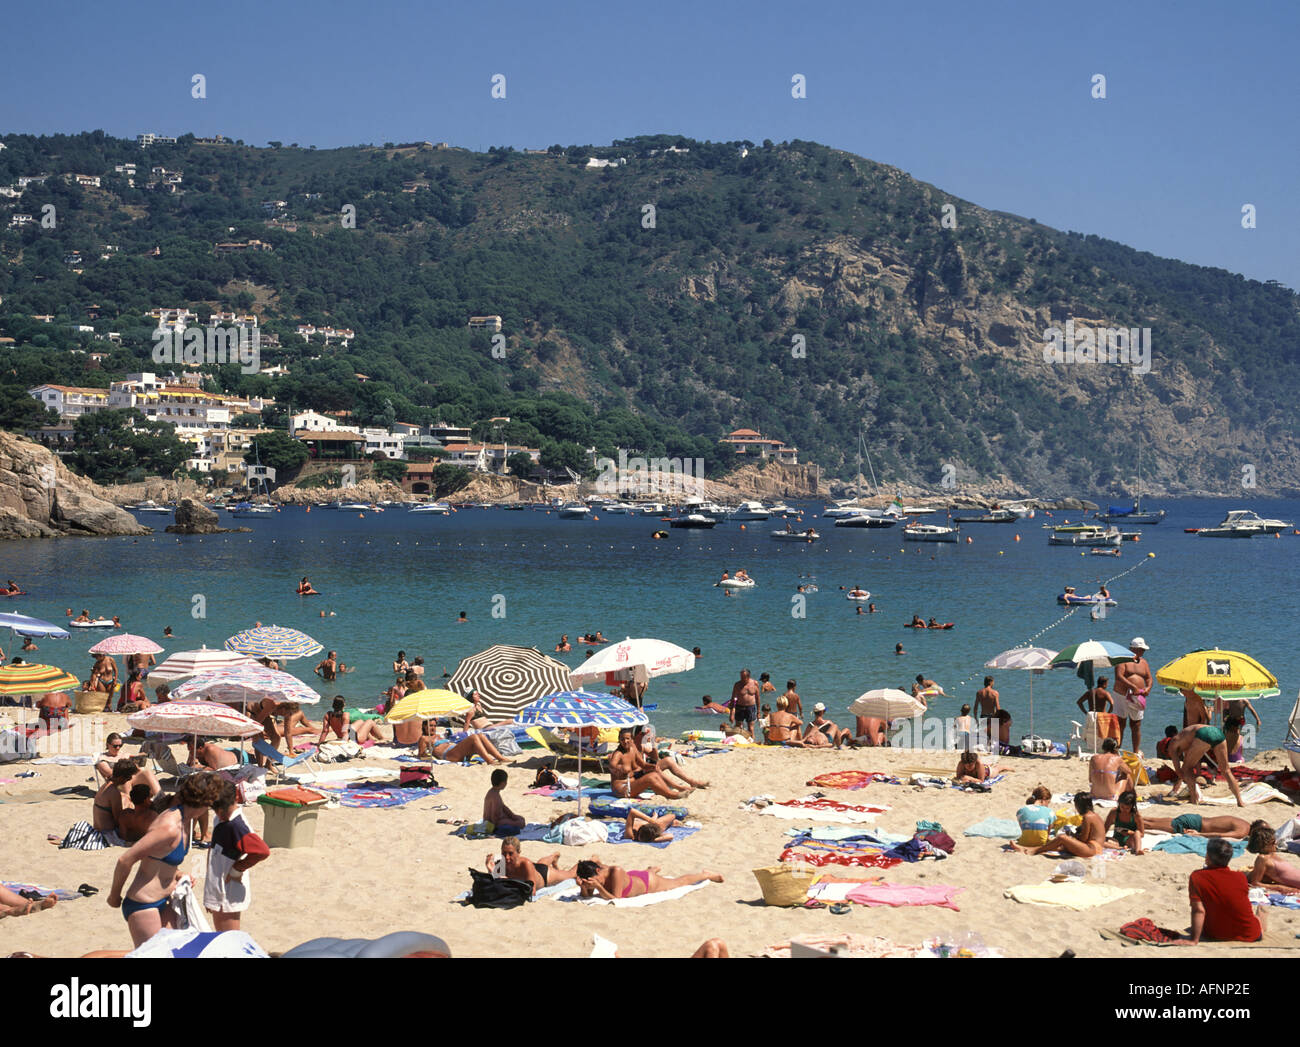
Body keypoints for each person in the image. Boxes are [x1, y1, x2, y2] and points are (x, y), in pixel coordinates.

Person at [109, 772, 226, 947]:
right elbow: (125, 859)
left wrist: (177, 874)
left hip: (167, 900)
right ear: (205, 803)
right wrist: (114, 896)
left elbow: (158, 857)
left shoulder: (185, 821)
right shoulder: (169, 827)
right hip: (143, 904)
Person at [205, 781, 270, 932]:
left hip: (229, 889)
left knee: (230, 937)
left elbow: (262, 851)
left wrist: (237, 869)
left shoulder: (237, 825)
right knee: (221, 934)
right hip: (219, 885)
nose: (218, 815)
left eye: (220, 811)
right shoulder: (222, 819)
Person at [1174, 837, 1264, 945]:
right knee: (1261, 912)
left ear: (1208, 857)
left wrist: (1194, 940)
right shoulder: (1240, 877)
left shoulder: (1197, 877)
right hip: (1249, 933)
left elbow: (1199, 910)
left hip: (1215, 933)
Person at [1165, 722, 1245, 807]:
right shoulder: (1183, 739)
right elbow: (1189, 762)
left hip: (1203, 734)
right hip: (1217, 732)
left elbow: (1179, 771)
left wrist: (1176, 788)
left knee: (1187, 768)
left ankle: (1193, 799)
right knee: (1226, 770)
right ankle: (1240, 801)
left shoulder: (1171, 746)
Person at [575, 859, 723, 900]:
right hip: (632, 878)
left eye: (596, 880)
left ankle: (706, 874)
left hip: (648, 883)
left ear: (598, 870)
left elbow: (616, 898)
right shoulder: (593, 877)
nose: (596, 883)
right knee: (639, 874)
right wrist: (583, 887)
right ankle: (651, 869)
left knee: (678, 883)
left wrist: (599, 888)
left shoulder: (615, 871)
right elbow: (586, 896)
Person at [1012, 793, 1106, 857]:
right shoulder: (1095, 816)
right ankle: (1028, 849)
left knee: (1062, 838)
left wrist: (1073, 837)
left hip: (1091, 850)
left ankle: (1034, 851)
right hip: (1096, 848)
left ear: (1079, 805)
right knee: (1060, 844)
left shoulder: (1087, 817)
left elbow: (1083, 839)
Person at [610, 728, 688, 799]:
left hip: (632, 784)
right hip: (621, 789)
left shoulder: (632, 749)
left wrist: (652, 766)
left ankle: (670, 791)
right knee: (650, 777)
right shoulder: (618, 754)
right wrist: (619, 768)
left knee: (654, 774)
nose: (625, 741)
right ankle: (671, 794)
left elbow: (643, 764)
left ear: (631, 739)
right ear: (619, 740)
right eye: (622, 739)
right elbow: (612, 766)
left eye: (627, 739)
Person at [487, 838, 578, 895]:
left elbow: (532, 892)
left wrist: (506, 879)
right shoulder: (500, 862)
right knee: (540, 864)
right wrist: (491, 871)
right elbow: (496, 883)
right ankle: (553, 857)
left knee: (571, 874)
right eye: (504, 853)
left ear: (519, 853)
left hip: (544, 876)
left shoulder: (526, 864)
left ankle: (591, 860)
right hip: (534, 869)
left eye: (511, 854)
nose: (507, 857)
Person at [1113, 637, 1152, 753]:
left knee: (1136, 724)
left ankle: (1136, 751)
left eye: (1143, 650)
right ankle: (1117, 748)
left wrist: (1148, 688)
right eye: (1141, 649)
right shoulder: (1123, 660)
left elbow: (1149, 677)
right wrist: (1132, 686)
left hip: (1138, 696)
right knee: (1121, 723)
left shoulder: (1144, 662)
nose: (1143, 652)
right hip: (1122, 695)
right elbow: (1119, 676)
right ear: (1133, 649)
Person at [1246, 822, 1300, 894]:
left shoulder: (1272, 854)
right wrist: (1279, 887)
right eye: (1273, 842)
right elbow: (1255, 883)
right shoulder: (1262, 858)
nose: (1276, 843)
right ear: (1264, 844)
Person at [419, 730, 509, 764]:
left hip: (454, 749)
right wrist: (428, 755)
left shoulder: (439, 735)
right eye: (430, 725)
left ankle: (500, 757)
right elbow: (421, 755)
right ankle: (489, 760)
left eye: (434, 725)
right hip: (449, 755)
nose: (433, 728)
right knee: (473, 737)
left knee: (480, 735)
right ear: (424, 726)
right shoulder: (424, 738)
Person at [1140, 814, 1257, 838]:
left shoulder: (1244, 822)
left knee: (1152, 820)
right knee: (1150, 826)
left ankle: (1132, 816)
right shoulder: (1243, 831)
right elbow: (1220, 834)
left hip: (1195, 818)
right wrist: (1199, 834)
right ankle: (1127, 821)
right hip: (1194, 824)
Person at [729, 668, 760, 736]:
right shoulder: (737, 685)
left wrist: (758, 712)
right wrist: (731, 714)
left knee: (751, 728)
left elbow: (757, 698)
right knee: (738, 727)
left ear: (748, 676)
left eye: (743, 677)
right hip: (739, 707)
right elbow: (733, 699)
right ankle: (738, 741)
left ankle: (752, 743)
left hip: (751, 708)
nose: (742, 679)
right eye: (741, 677)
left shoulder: (755, 683)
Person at [974, 676, 999, 743]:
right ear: (990, 682)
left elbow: (975, 707)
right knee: (993, 738)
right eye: (993, 682)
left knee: (983, 737)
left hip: (983, 716)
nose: (993, 684)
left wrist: (976, 718)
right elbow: (997, 707)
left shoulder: (979, 692)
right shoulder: (995, 693)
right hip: (992, 716)